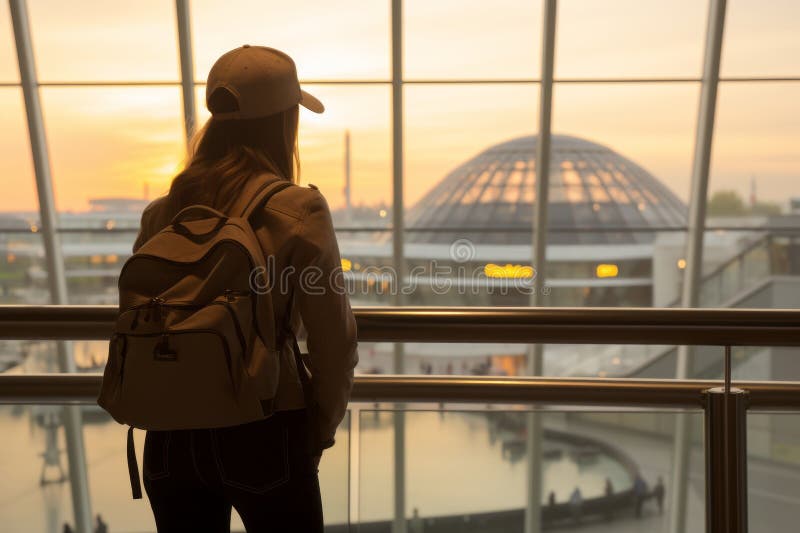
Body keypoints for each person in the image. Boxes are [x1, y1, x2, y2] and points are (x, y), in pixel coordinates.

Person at [135, 45, 358, 532]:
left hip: (169, 434)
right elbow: (334, 343)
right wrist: (316, 431)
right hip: (265, 427)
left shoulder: (161, 212)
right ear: (285, 124)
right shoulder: (299, 211)